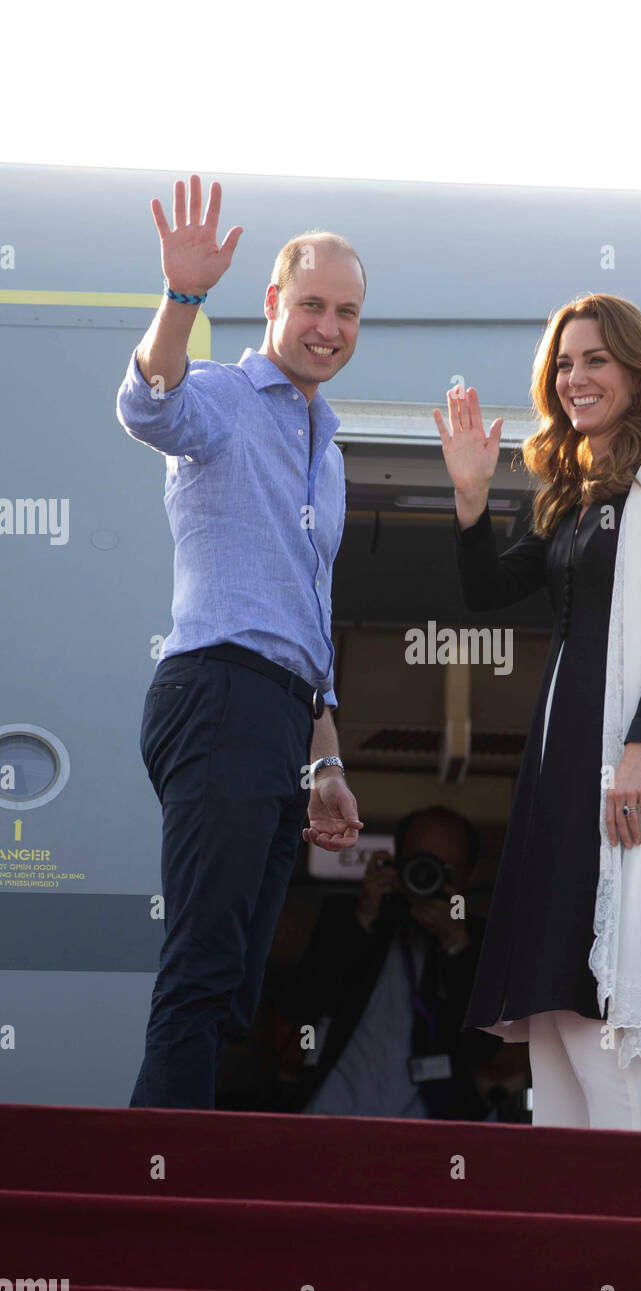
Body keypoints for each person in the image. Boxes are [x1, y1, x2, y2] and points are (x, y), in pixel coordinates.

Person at [434, 293, 641, 1134]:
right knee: (548, 1007)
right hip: (556, 764)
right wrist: (468, 499)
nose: (575, 378)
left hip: (614, 760)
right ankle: (577, 1230)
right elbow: (485, 591)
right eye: (564, 363)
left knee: (590, 1005)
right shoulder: (572, 492)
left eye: (594, 359)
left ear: (636, 371)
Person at [116, 175, 363, 1109]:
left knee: (237, 986)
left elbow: (310, 619)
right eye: (310, 305)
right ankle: (153, 1185)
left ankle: (189, 1179)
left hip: (278, 713)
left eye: (345, 312)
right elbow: (149, 406)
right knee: (205, 963)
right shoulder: (221, 394)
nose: (328, 327)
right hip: (216, 694)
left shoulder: (326, 449)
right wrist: (181, 299)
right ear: (271, 305)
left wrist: (324, 763)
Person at [267, 806, 507, 1120]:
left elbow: (483, 1048)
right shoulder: (350, 917)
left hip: (433, 1125)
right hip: (331, 1111)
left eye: (442, 867)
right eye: (418, 862)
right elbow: (300, 1008)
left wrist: (456, 947)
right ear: (397, 862)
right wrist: (363, 919)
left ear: (469, 876)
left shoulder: (480, 940)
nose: (426, 876)